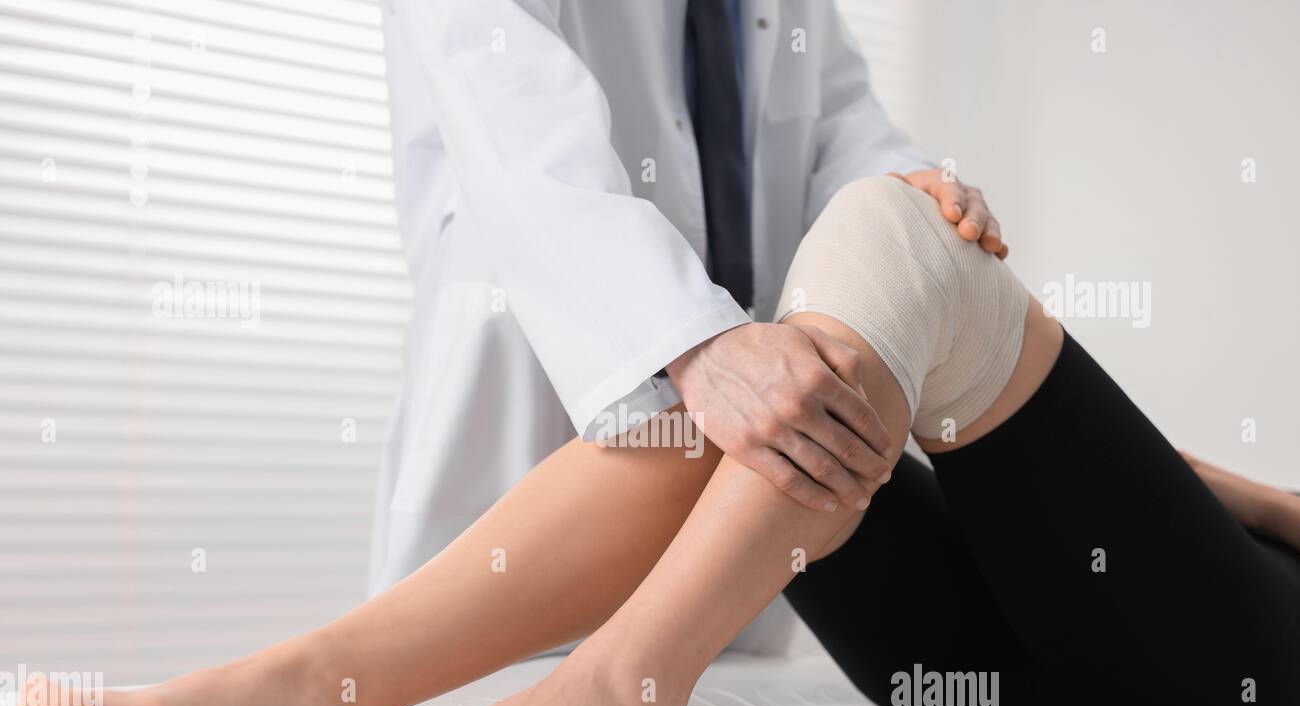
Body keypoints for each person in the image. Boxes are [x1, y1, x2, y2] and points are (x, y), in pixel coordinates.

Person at [22, 176, 1300, 706]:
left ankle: (621, 687)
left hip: (1248, 645)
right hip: (1043, 634)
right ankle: (319, 683)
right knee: (766, 375)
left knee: (886, 240)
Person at [370, 0, 1009, 652]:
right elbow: (510, 110)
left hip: (737, 442)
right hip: (534, 370)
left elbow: (836, 114)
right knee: (449, 686)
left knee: (692, 697)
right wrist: (692, 341)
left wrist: (899, 189)